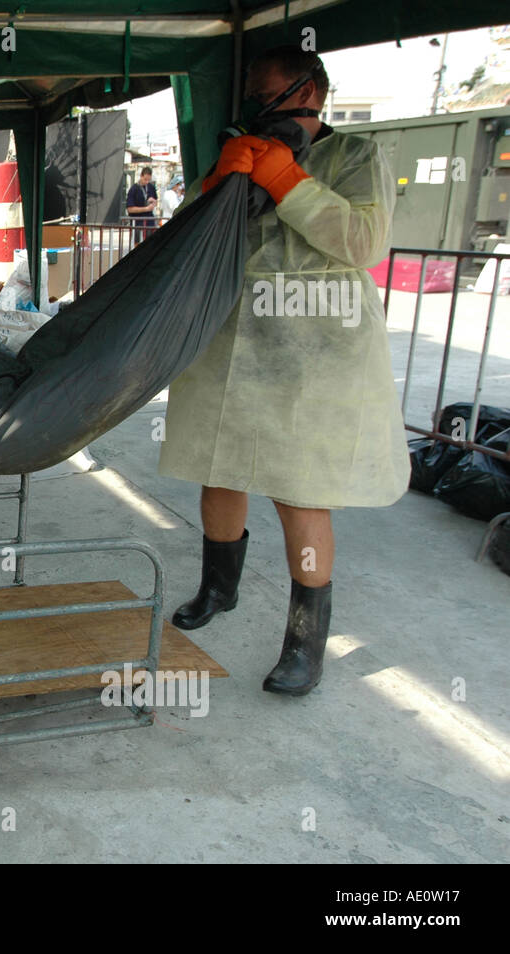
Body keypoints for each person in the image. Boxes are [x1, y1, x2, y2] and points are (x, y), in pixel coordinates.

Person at [157, 46, 409, 696]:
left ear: (310, 93)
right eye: (251, 96)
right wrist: (213, 189)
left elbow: (364, 243)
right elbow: (190, 235)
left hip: (313, 355)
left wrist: (290, 182)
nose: (256, 107)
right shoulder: (237, 150)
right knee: (218, 468)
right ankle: (220, 588)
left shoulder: (356, 157)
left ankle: (304, 640)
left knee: (299, 491)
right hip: (230, 343)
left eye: (268, 94)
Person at [125, 166, 158, 241]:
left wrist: (153, 202)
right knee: (137, 242)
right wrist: (145, 209)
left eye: (148, 180)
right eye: (145, 179)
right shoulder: (133, 189)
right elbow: (130, 209)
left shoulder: (151, 187)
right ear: (141, 176)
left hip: (149, 222)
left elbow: (156, 201)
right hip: (137, 222)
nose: (146, 182)